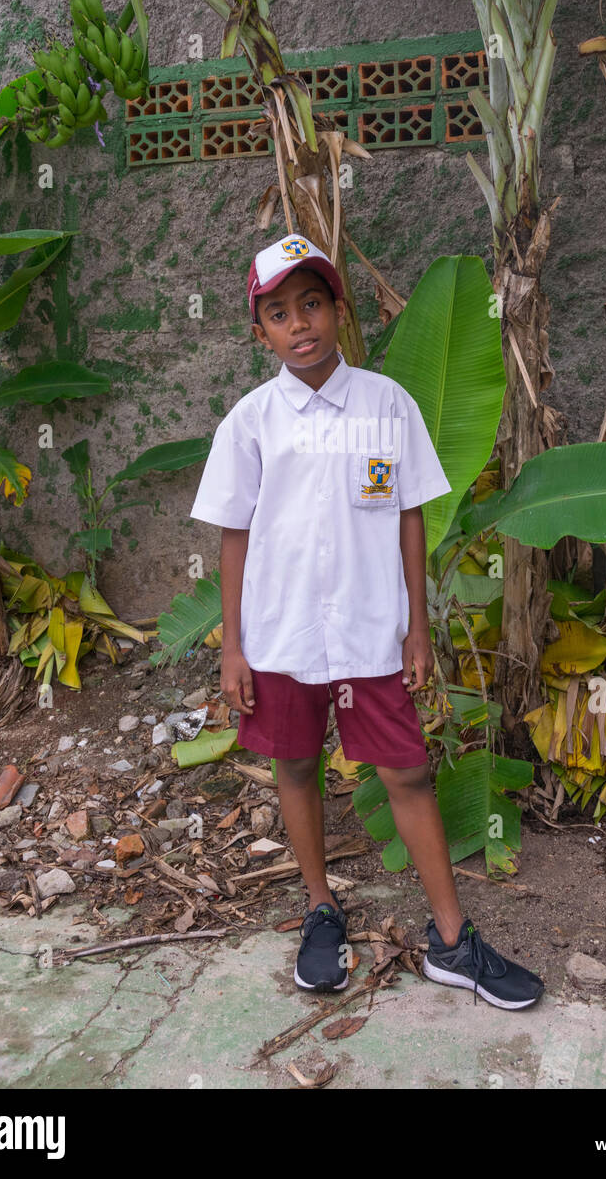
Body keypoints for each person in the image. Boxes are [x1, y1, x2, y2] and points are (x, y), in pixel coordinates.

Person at [189, 234, 544, 1010]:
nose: (299, 324)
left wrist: (418, 627)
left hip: (368, 631)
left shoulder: (388, 404)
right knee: (293, 766)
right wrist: (235, 649)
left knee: (408, 770)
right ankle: (322, 909)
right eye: (279, 313)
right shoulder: (250, 424)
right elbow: (234, 537)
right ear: (262, 334)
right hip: (281, 637)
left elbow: (410, 516)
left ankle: (452, 941)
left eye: (311, 304)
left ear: (337, 311)